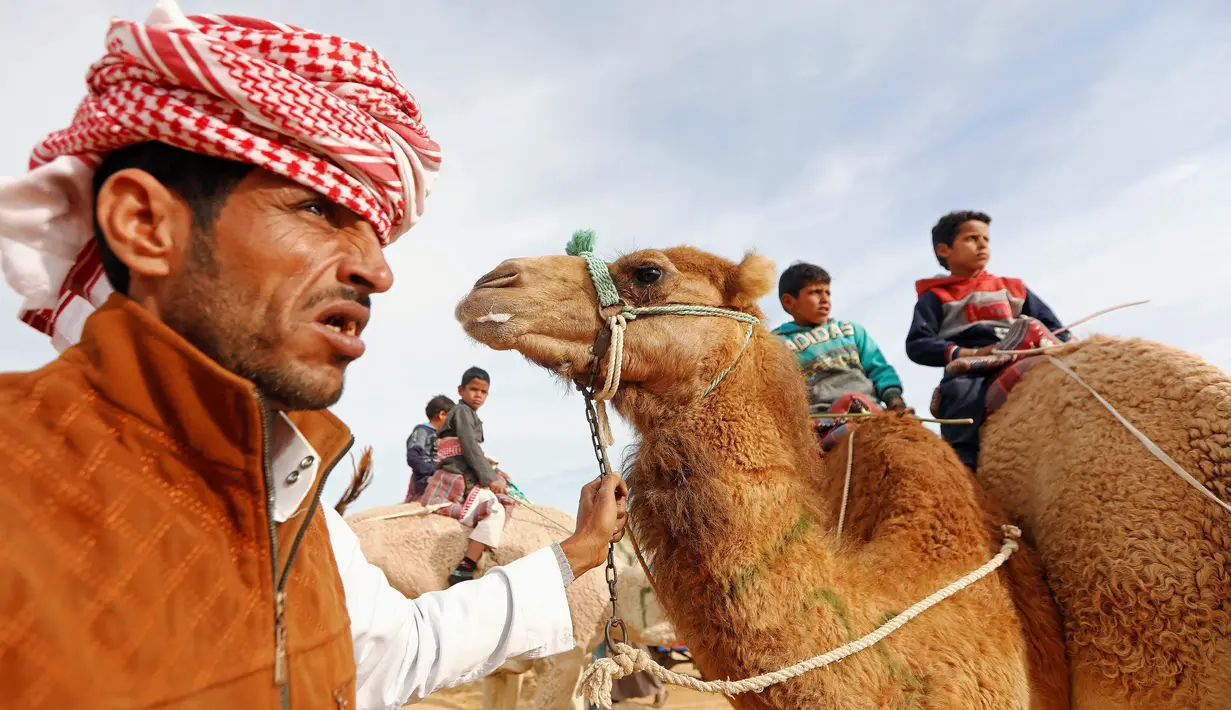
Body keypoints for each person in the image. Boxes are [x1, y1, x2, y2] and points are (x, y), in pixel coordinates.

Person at [0, 3, 627, 709]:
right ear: (144, 225)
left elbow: (395, 653)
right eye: (314, 210)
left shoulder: (296, 510)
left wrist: (578, 550)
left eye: (377, 236)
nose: (377, 273)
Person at [906, 210, 1069, 470]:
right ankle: (965, 463)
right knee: (959, 390)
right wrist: (971, 353)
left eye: (986, 239)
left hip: (1024, 351)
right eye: (972, 238)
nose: (982, 245)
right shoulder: (934, 296)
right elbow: (918, 344)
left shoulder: (1013, 287)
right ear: (945, 249)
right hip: (974, 363)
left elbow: (1055, 328)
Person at [772, 262, 908, 446]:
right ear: (789, 301)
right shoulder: (777, 345)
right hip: (821, 421)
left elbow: (879, 368)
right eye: (814, 292)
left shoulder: (852, 331)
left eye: (827, 292)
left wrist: (894, 399)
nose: (825, 299)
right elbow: (780, 395)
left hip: (871, 410)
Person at [418, 367, 514, 586]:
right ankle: (466, 566)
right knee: (495, 510)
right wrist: (490, 479)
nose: (478, 395)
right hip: (457, 479)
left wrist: (494, 473)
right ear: (461, 390)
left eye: (483, 391)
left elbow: (471, 450)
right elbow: (469, 446)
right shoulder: (462, 412)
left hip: (465, 474)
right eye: (473, 389)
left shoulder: (469, 415)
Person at [406, 394, 454, 502]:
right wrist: (432, 471)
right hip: (425, 479)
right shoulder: (422, 431)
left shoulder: (442, 436)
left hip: (438, 475)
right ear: (442, 415)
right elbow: (413, 456)